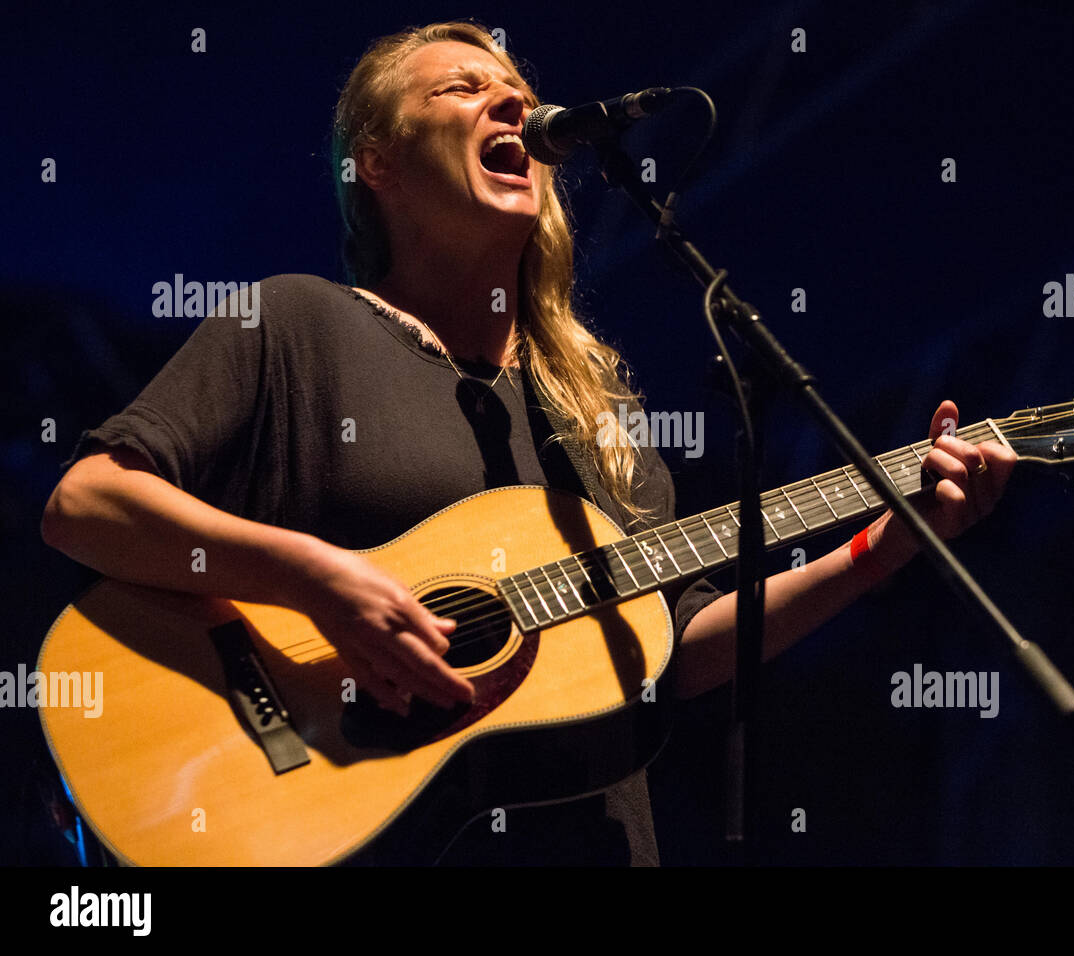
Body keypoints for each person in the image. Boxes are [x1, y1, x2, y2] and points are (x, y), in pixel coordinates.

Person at [40, 20, 1016, 865]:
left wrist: (881, 548)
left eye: (521, 99)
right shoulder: (296, 324)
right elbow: (84, 503)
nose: (511, 110)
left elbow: (673, 648)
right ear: (374, 160)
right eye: (465, 89)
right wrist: (316, 578)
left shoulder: (593, 409)